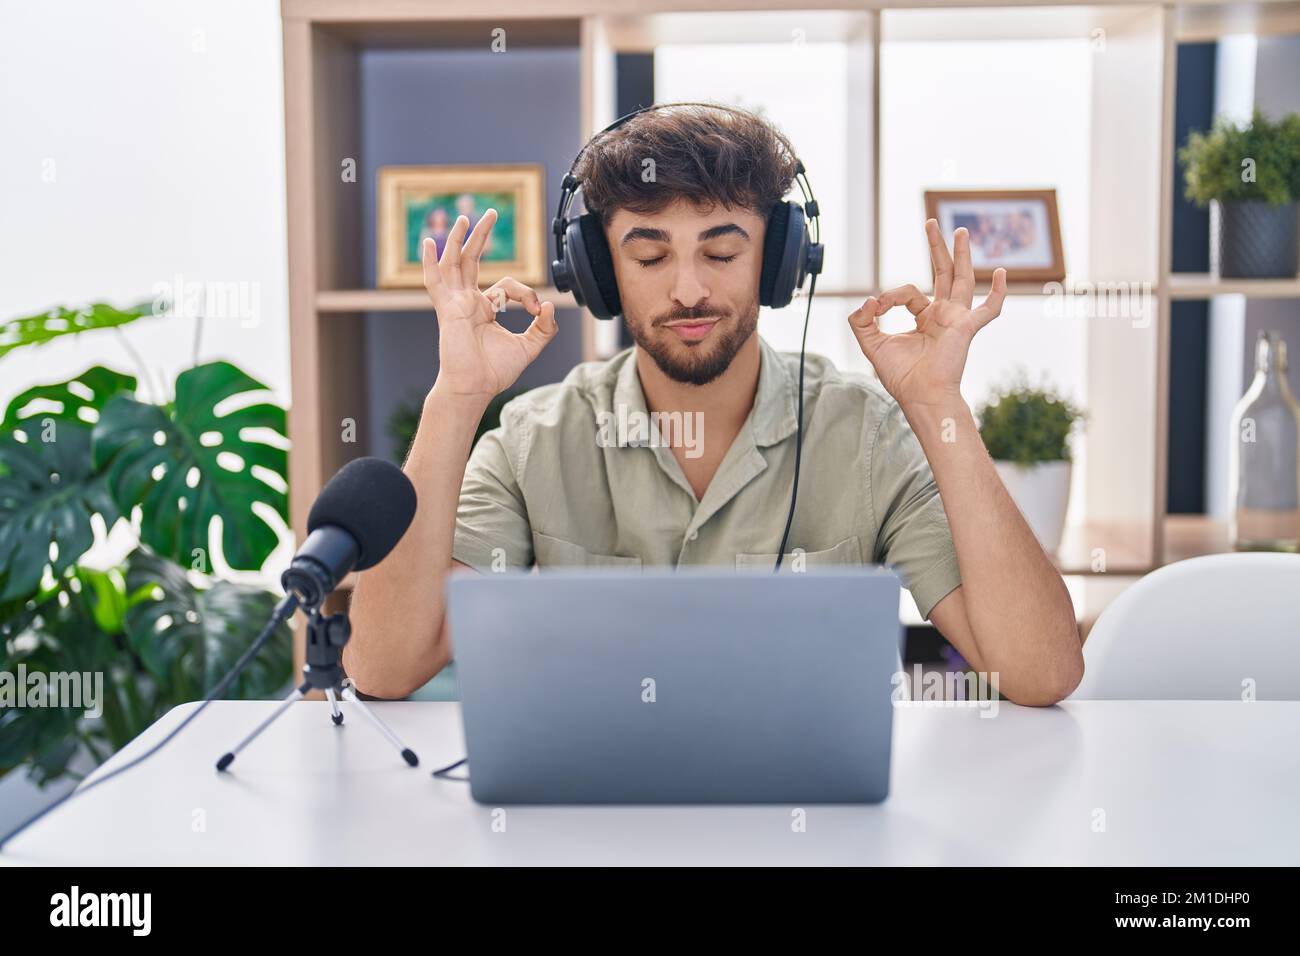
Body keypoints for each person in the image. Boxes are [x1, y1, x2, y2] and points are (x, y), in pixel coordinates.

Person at [345, 103, 1082, 706]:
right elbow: (383, 666)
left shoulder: (867, 435)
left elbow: (1040, 672)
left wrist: (938, 404)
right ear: (598, 272)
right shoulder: (534, 440)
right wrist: (457, 397)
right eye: (649, 256)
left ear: (779, 262)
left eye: (722, 253)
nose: (689, 290)